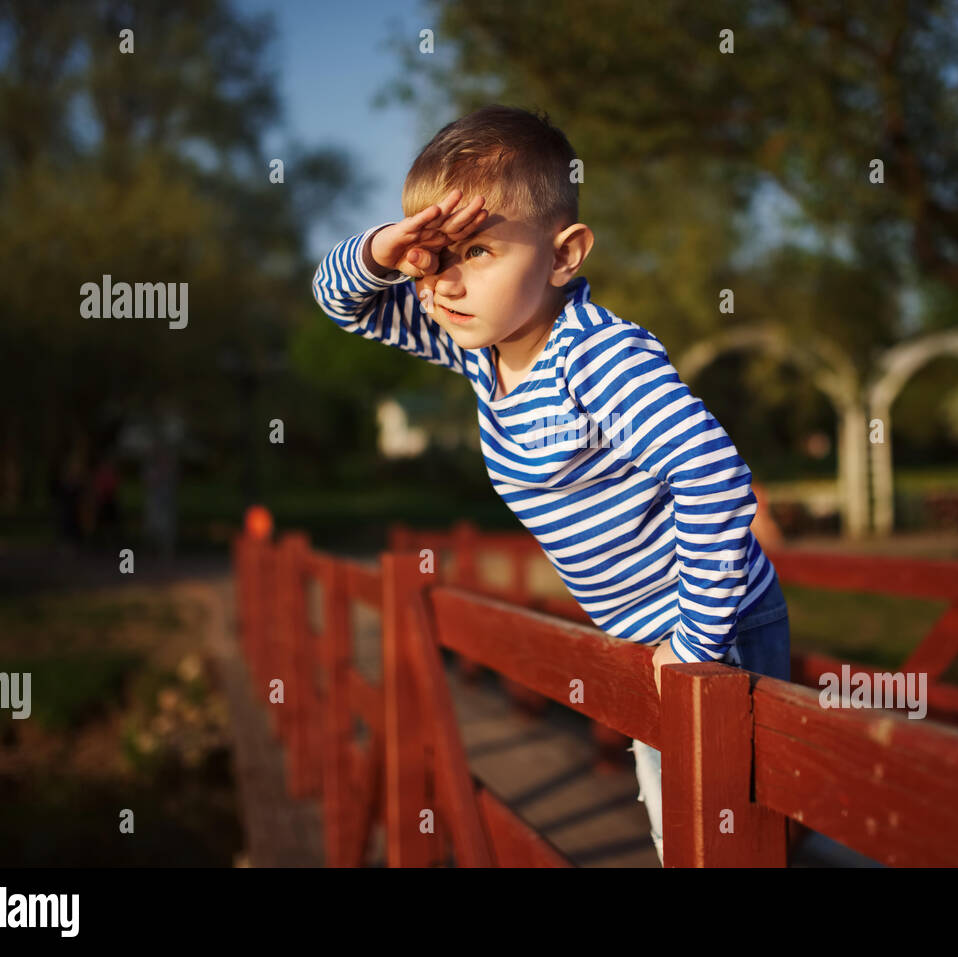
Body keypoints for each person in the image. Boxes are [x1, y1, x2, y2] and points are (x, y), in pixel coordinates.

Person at [311, 104, 789, 866]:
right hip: (648, 640)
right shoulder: (476, 346)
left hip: (714, 628)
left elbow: (714, 476)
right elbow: (341, 301)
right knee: (689, 834)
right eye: (433, 258)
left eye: (475, 250)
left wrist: (694, 644)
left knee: (719, 841)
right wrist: (380, 249)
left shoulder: (598, 359)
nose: (444, 282)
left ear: (564, 256)